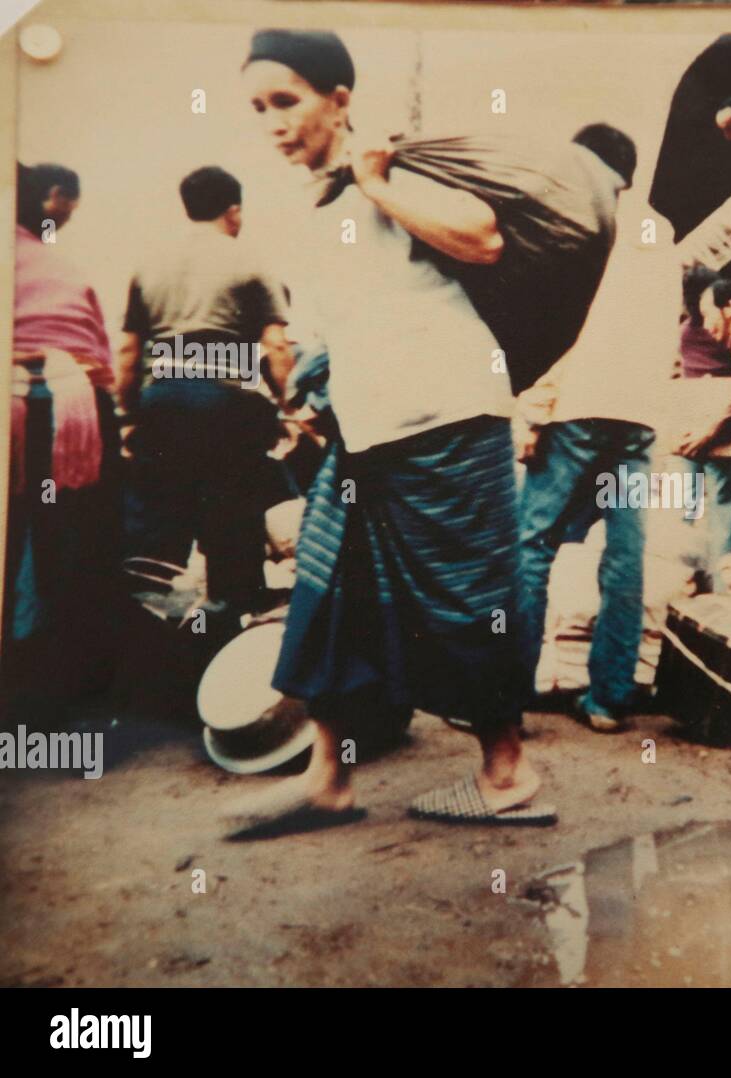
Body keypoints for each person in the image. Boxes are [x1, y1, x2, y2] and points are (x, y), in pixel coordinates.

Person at [231, 28, 549, 831]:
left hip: (448, 415)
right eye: (258, 107)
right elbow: (344, 315)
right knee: (331, 590)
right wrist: (310, 377)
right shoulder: (306, 206)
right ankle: (327, 778)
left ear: (339, 100)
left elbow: (481, 237)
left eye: (287, 100)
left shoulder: (398, 166)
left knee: (468, 600)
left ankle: (506, 773)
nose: (272, 121)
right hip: (364, 429)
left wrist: (374, 178)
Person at [515, 149, 682, 734]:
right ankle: (610, 699)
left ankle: (504, 701)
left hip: (578, 407)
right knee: (625, 554)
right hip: (636, 417)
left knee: (532, 546)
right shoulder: (661, 234)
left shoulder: (582, 218)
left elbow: (567, 327)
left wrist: (532, 411)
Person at [117, 165, 294, 621]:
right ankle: (232, 606)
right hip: (224, 400)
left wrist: (130, 411)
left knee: (161, 504)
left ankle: (144, 611)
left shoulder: (149, 263)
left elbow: (129, 351)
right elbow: (275, 345)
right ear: (234, 209)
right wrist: (289, 405)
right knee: (231, 505)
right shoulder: (248, 260)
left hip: (164, 396)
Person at [6, 164, 122, 706]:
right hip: (77, 409)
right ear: (55, 198)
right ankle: (76, 689)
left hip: (22, 407)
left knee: (21, 545)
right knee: (79, 550)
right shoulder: (65, 267)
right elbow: (102, 354)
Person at [671, 268, 731, 591]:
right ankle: (720, 589)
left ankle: (677, 585)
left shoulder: (683, 332)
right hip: (725, 427)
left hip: (687, 427)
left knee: (681, 513)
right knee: (723, 515)